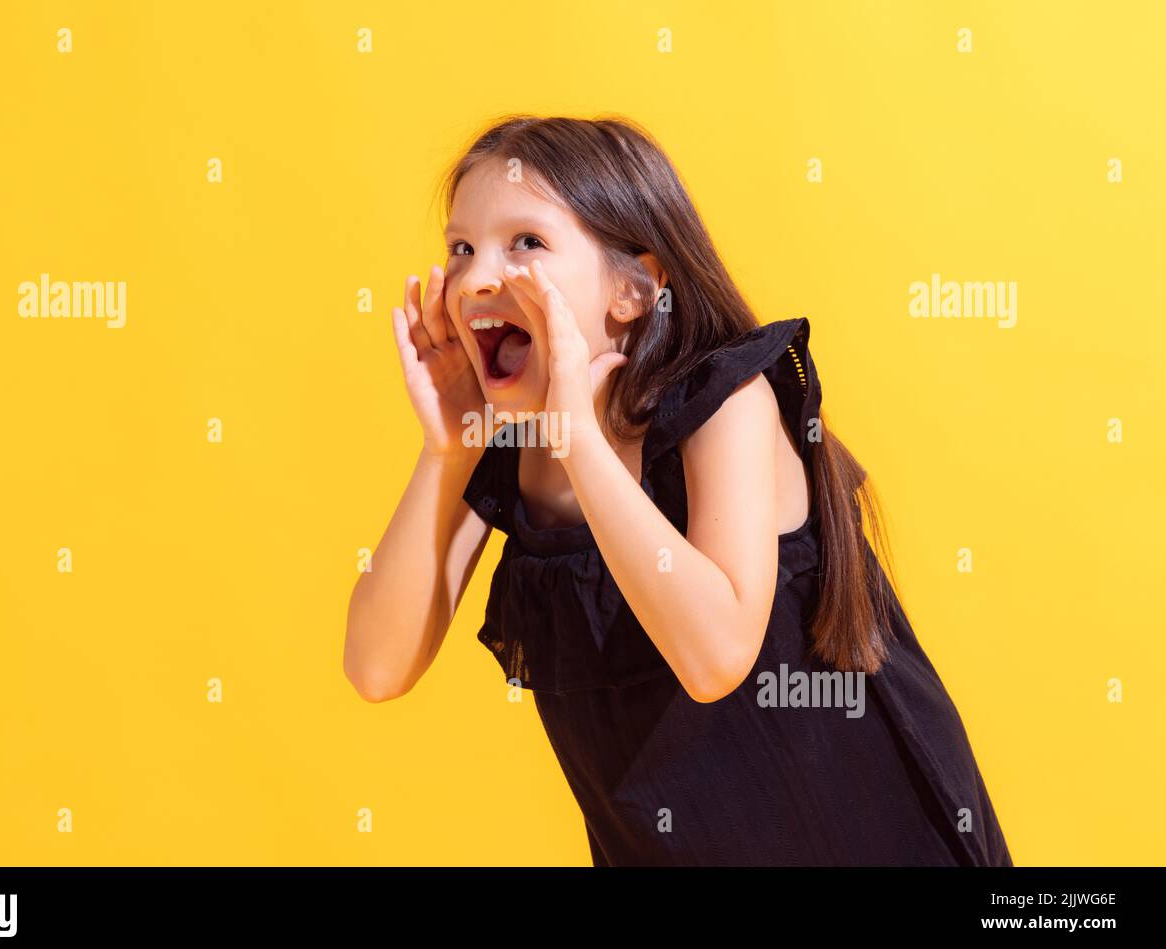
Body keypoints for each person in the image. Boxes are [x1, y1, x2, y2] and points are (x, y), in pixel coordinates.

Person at [344, 114, 1012, 866]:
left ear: (633, 288)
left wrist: (577, 440)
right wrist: (448, 447)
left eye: (526, 242)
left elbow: (714, 655)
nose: (477, 278)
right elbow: (376, 665)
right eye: (461, 248)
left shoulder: (723, 404)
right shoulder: (508, 453)